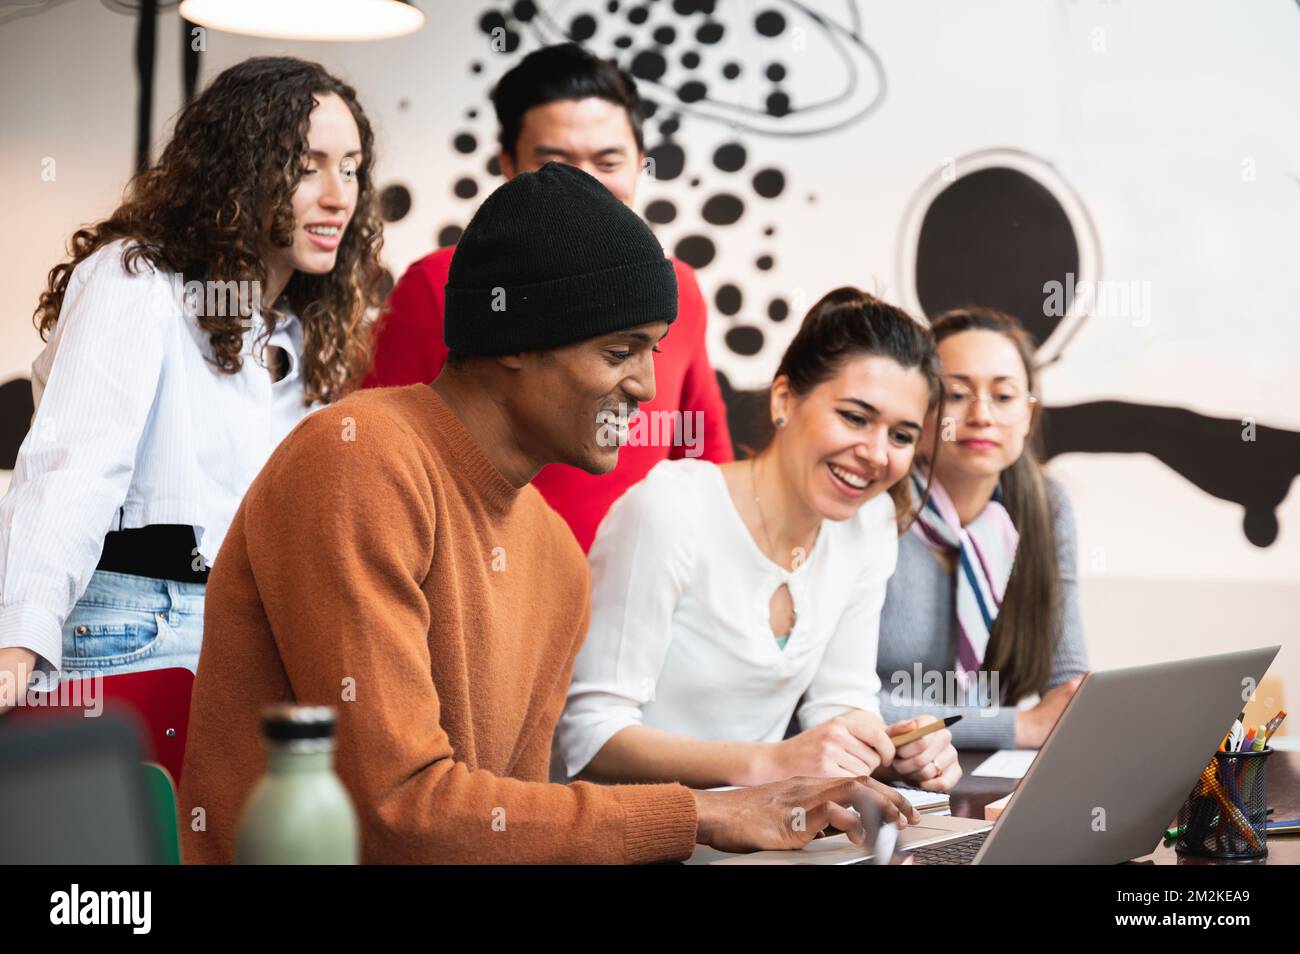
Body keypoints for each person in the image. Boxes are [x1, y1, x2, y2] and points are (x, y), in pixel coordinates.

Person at [178, 163, 919, 865]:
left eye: (654, 351)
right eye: (621, 350)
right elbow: (400, 811)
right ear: (514, 344)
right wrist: (705, 814)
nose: (646, 386)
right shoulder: (357, 460)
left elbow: (508, 827)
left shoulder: (556, 555)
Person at [0, 57, 383, 706]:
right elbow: (73, 468)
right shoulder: (137, 280)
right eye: (307, 163)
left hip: (245, 637)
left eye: (349, 168)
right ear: (242, 168)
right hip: (135, 625)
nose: (338, 194)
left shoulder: (296, 334)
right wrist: (18, 642)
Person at [557, 287, 963, 794]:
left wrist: (890, 748)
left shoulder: (870, 522)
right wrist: (771, 763)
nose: (877, 454)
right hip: (643, 836)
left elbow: (840, 700)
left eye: (902, 436)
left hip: (767, 837)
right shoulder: (671, 508)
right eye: (855, 418)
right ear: (784, 400)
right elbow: (591, 738)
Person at [363, 42, 734, 551]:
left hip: (632, 606)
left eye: (608, 160)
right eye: (555, 161)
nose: (587, 184)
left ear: (640, 164)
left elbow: (704, 455)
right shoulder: (442, 287)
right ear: (508, 165)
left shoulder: (679, 291)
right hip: (487, 593)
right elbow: (379, 450)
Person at [875, 307, 1089, 749]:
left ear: (1028, 414)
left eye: (1004, 396)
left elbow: (1067, 692)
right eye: (956, 394)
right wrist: (1018, 726)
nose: (982, 415)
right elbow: (843, 704)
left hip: (988, 778)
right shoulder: (874, 507)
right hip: (877, 769)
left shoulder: (1045, 507)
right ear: (920, 409)